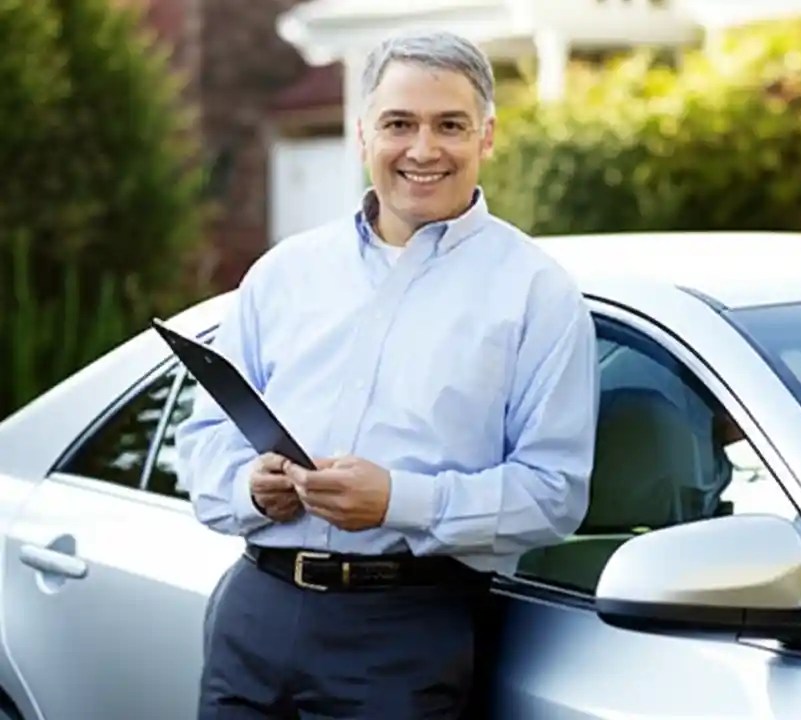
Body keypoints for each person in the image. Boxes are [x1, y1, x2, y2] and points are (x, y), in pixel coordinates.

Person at [175, 31, 599, 719]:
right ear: (361, 133)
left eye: (450, 125)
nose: (424, 149)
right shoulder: (284, 273)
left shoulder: (536, 294)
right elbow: (199, 444)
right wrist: (248, 489)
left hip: (403, 631)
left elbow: (554, 495)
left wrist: (399, 501)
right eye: (399, 123)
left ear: (487, 137)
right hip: (253, 612)